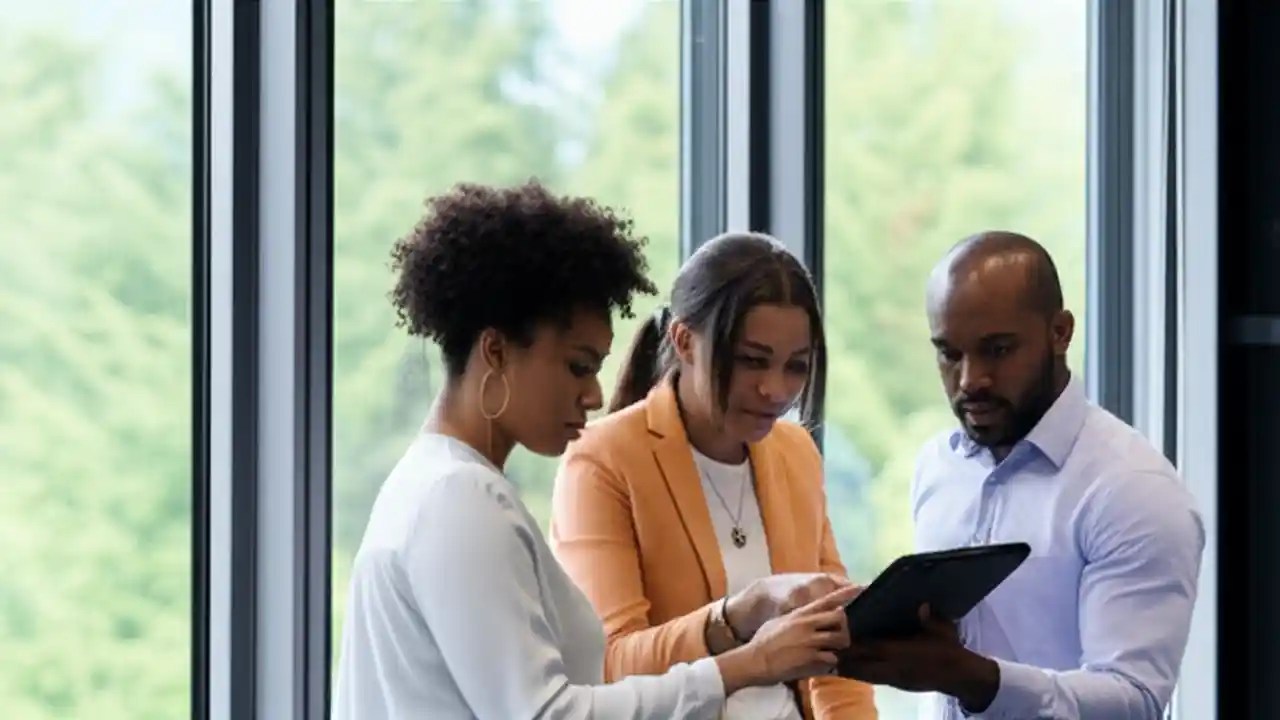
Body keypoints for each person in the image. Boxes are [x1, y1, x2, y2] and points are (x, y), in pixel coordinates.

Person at [331, 182, 860, 720]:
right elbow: (548, 713)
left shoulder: (440, 485)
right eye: (578, 367)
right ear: (495, 350)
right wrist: (747, 662)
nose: (595, 395)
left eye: (796, 364)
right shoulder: (458, 498)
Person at [838, 231, 1205, 719]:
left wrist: (970, 677)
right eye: (949, 353)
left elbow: (1133, 701)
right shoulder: (937, 467)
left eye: (998, 350)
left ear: (1060, 332)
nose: (970, 380)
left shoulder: (1134, 490)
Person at [550, 231, 877, 720]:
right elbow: (608, 665)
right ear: (684, 341)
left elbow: (835, 650)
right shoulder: (604, 460)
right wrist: (731, 617)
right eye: (752, 361)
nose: (775, 390)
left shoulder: (796, 453)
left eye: (797, 367)